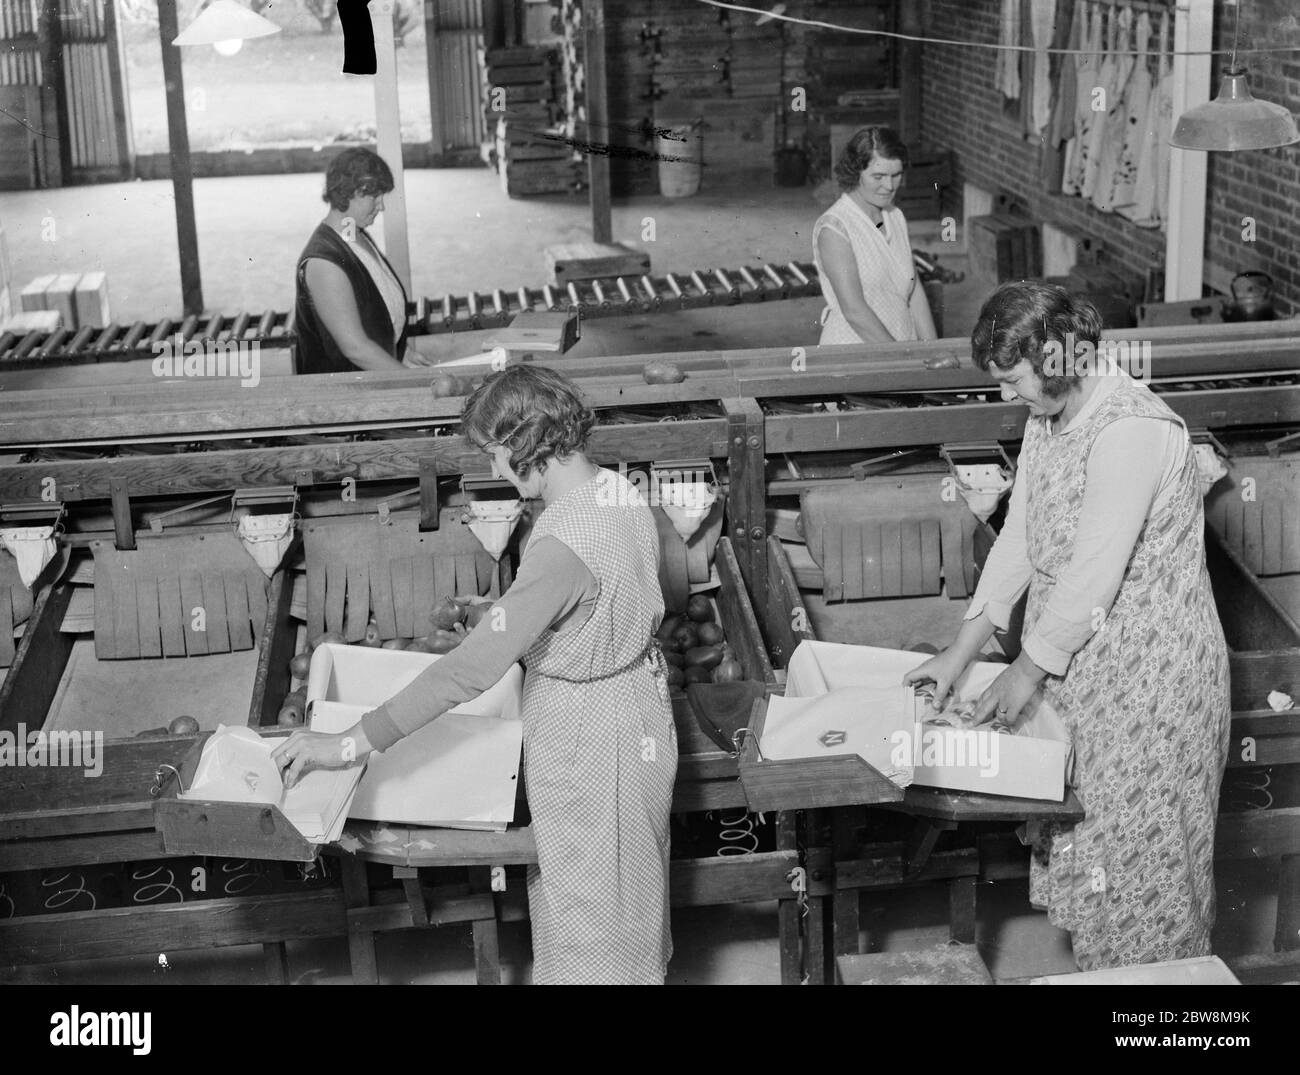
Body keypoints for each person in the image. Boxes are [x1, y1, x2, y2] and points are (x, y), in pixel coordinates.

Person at [272, 365, 678, 984]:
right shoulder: (614, 491)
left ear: (526, 443)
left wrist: (347, 743)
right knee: (626, 901)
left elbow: (466, 674)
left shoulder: (563, 541)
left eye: (495, 454)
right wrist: (510, 614)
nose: (494, 471)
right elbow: (600, 596)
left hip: (592, 743)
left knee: (590, 924)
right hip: (637, 712)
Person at [904, 281, 1230, 971]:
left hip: (1153, 689)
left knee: (1147, 883)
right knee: (1097, 872)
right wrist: (958, 652)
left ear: (1056, 357)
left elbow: (1092, 575)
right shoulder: (1049, 416)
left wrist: (1025, 671)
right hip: (1084, 670)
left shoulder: (1132, 430)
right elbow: (1020, 535)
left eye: (1013, 377)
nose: (1005, 394)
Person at [813, 126, 938, 346]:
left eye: (896, 175)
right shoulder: (835, 229)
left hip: (902, 340)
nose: (889, 186)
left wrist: (932, 347)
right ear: (855, 172)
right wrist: (903, 358)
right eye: (878, 176)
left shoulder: (894, 216)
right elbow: (854, 311)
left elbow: (913, 288)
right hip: (854, 350)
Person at [294, 148, 410, 373]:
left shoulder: (355, 235)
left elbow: (376, 308)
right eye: (374, 196)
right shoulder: (324, 263)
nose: (382, 206)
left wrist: (400, 353)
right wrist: (415, 382)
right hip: (342, 395)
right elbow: (355, 348)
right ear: (347, 193)